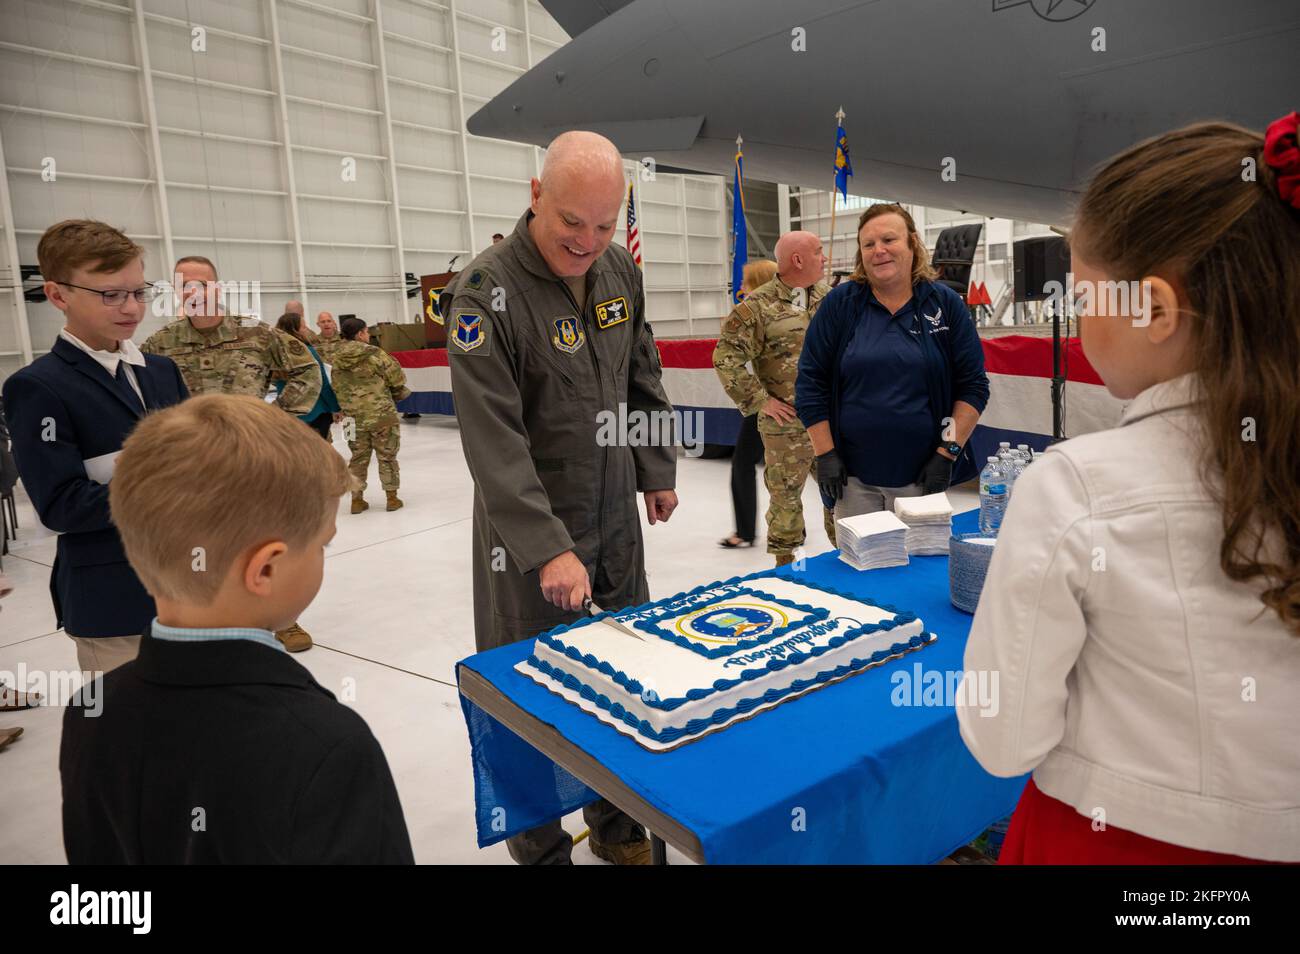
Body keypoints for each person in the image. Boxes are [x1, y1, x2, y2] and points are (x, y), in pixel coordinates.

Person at [956, 115, 1300, 864]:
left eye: (1084, 297)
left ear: (1154, 309)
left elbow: (1002, 738)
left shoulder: (1077, 489)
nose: (1078, 324)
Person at [442, 130, 677, 866]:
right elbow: (493, 440)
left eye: (606, 224)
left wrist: (655, 465)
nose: (588, 241)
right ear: (536, 195)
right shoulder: (485, 295)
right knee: (529, 701)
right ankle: (540, 847)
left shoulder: (617, 271)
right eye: (573, 221)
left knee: (625, 683)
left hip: (615, 518)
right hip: (530, 534)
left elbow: (643, 369)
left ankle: (616, 824)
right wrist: (547, 547)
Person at [61, 394, 414, 863]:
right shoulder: (327, 745)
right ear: (265, 570)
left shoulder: (90, 710)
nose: (324, 555)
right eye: (322, 545)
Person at [1, 220, 188, 675]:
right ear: (58, 295)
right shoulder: (38, 387)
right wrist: (169, 489)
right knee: (130, 737)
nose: (131, 307)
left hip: (191, 587)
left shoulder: (161, 371)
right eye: (111, 294)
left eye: (139, 292)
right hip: (115, 599)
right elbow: (61, 506)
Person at [142, 256, 322, 653]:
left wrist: (277, 419)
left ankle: (283, 618)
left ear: (218, 289)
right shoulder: (158, 346)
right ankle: (212, 618)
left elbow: (307, 369)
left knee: (266, 539)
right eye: (184, 286)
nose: (194, 292)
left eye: (202, 284)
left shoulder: (256, 334)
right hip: (192, 468)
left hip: (252, 461)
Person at [796, 204, 989, 520]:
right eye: (868, 244)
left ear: (912, 242)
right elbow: (810, 383)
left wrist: (947, 453)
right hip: (852, 481)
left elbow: (973, 386)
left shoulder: (945, 304)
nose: (879, 251)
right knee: (860, 566)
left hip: (923, 478)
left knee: (918, 569)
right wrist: (826, 454)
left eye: (889, 240)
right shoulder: (839, 305)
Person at [715, 236, 837, 565]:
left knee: (842, 499)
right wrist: (759, 400)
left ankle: (849, 567)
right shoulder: (756, 307)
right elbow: (725, 357)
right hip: (787, 428)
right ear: (797, 261)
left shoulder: (832, 300)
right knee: (786, 508)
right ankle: (789, 578)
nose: (824, 258)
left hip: (833, 422)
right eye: (818, 252)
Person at [717, 259, 776, 550]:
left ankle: (744, 531)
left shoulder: (754, 313)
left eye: (745, 282)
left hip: (765, 402)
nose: (741, 288)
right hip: (784, 401)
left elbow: (729, 356)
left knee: (743, 463)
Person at [331, 317, 411, 513]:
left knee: (357, 457)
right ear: (359, 334)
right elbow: (397, 378)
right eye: (366, 332)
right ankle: (392, 498)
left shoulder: (336, 358)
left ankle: (356, 501)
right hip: (381, 414)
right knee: (387, 455)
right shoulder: (375, 354)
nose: (368, 335)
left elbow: (334, 386)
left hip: (350, 418)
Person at [275, 312, 342, 441]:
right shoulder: (307, 351)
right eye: (304, 327)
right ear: (296, 330)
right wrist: (335, 407)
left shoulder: (276, 353)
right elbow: (322, 383)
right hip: (315, 410)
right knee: (317, 451)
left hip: (287, 411)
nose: (306, 330)